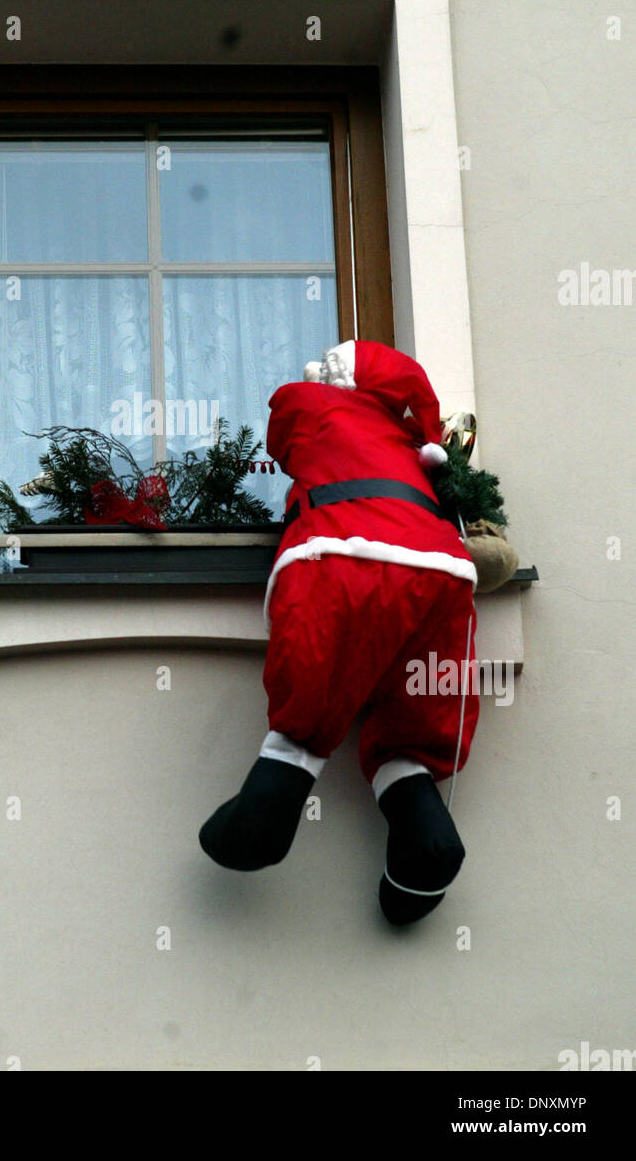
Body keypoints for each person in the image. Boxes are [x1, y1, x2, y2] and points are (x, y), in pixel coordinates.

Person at [198, 339, 480, 925]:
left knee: (316, 675)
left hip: (340, 553)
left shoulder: (309, 403)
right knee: (417, 712)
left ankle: (268, 807)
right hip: (442, 570)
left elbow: (281, 439)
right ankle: (423, 840)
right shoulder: (413, 447)